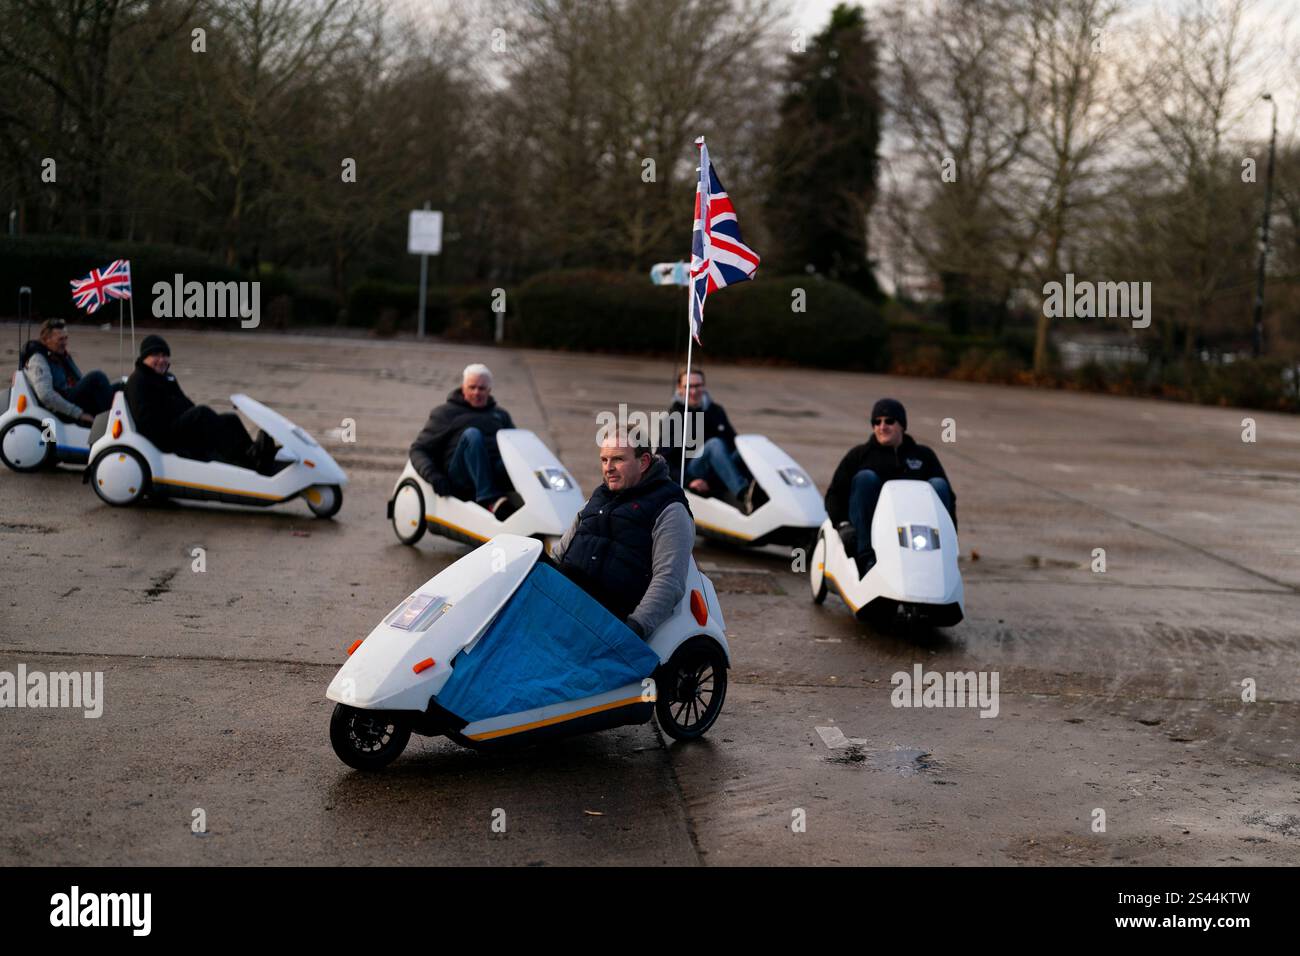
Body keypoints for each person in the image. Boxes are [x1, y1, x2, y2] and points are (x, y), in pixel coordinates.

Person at [552, 433, 694, 639]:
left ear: (643, 461)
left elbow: (669, 580)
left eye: (618, 459)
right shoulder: (598, 498)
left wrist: (635, 627)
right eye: (604, 459)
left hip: (609, 616)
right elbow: (558, 554)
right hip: (565, 601)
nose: (608, 468)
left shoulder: (670, 508)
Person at [824, 398, 957, 575]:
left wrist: (953, 537)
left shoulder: (923, 455)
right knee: (865, 478)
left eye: (889, 421)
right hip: (873, 528)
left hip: (913, 531)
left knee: (939, 484)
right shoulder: (859, 455)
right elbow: (834, 494)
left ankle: (941, 558)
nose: (882, 426)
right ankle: (867, 560)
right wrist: (842, 525)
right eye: (876, 422)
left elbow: (949, 497)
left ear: (902, 425)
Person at [125, 335, 278, 472]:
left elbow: (185, 402)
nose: (161, 360)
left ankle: (251, 455)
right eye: (155, 355)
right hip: (162, 435)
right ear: (144, 358)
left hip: (175, 425)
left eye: (164, 355)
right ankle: (244, 460)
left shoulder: (167, 378)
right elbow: (146, 420)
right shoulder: (138, 382)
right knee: (201, 413)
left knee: (230, 419)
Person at [409, 363, 518, 518]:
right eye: (472, 387)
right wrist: (434, 476)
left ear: (489, 390)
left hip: (494, 472)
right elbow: (418, 449)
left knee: (515, 452)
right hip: (460, 476)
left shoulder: (500, 415)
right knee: (472, 434)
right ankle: (489, 500)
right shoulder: (445, 413)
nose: (477, 392)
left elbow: (516, 446)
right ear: (463, 388)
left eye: (482, 388)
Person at [656, 367, 757, 514]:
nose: (694, 391)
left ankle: (762, 492)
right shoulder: (674, 417)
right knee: (714, 444)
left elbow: (734, 442)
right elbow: (662, 460)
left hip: (719, 470)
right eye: (688, 386)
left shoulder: (716, 411)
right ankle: (745, 495)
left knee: (746, 446)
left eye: (698, 386)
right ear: (680, 389)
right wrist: (689, 481)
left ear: (704, 386)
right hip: (693, 472)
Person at [19, 319, 116, 424]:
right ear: (47, 339)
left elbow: (78, 380)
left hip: (69, 396)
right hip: (61, 406)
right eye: (60, 339)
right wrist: (79, 414)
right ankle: (110, 423)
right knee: (97, 377)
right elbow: (46, 395)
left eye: (66, 338)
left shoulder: (60, 355)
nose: (65, 343)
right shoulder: (38, 358)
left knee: (119, 387)